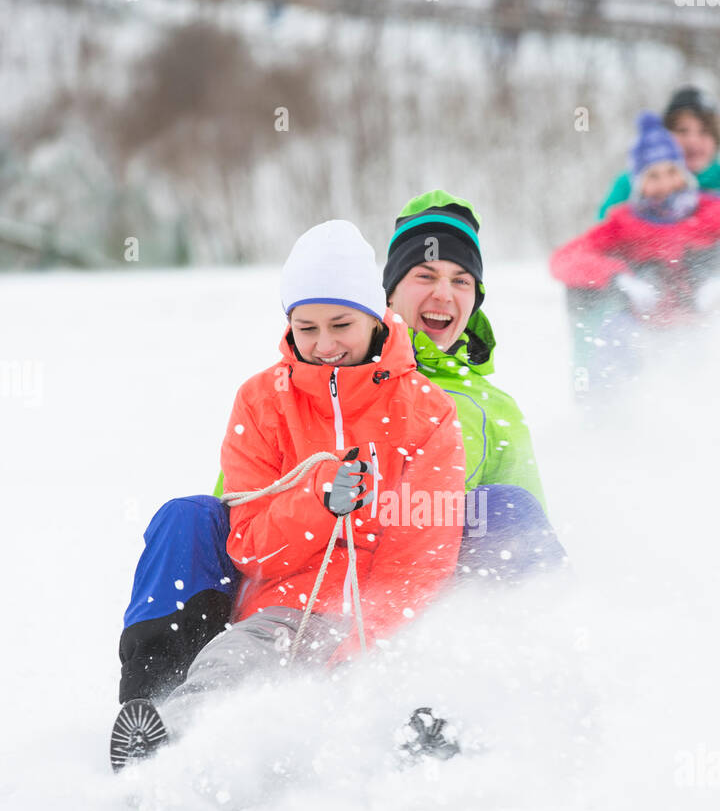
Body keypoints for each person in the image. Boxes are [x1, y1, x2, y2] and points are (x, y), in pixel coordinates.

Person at [116, 192, 565, 727]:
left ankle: (543, 682)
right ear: (388, 295)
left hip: (413, 576)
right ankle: (157, 713)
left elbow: (444, 541)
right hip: (292, 584)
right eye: (425, 275)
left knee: (508, 511)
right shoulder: (276, 393)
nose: (443, 293)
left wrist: (374, 623)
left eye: (460, 280)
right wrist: (313, 504)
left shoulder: (461, 408)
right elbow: (241, 516)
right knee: (186, 518)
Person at [110, 221, 466, 771]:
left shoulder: (427, 410)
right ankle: (168, 752)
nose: (324, 345)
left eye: (341, 324)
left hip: (388, 615)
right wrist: (318, 503)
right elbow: (248, 545)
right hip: (287, 611)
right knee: (231, 664)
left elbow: (423, 549)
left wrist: (366, 641)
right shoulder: (262, 402)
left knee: (410, 674)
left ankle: (425, 750)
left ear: (376, 317)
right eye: (307, 328)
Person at [551, 112, 720, 389]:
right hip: (645, 327)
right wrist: (618, 279)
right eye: (653, 176)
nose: (665, 184)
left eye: (672, 171)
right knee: (616, 335)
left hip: (705, 319)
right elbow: (565, 258)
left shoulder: (712, 212)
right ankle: (609, 419)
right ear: (638, 183)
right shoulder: (624, 222)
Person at [598, 87, 720, 222]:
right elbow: (602, 235)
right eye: (682, 131)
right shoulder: (631, 185)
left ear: (716, 139)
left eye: (704, 132)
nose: (693, 141)